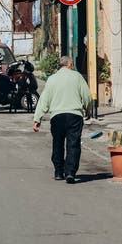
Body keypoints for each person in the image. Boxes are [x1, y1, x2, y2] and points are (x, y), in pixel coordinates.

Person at [33, 55, 92, 183]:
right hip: (74, 115)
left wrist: (37, 119)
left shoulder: (52, 79)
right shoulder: (77, 77)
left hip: (57, 116)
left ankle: (59, 172)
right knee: (73, 144)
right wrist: (88, 110)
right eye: (73, 65)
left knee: (57, 143)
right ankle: (70, 172)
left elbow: (44, 100)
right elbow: (87, 96)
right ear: (70, 65)